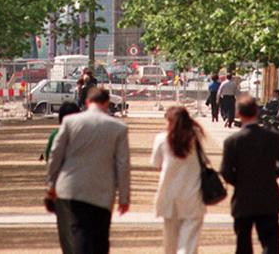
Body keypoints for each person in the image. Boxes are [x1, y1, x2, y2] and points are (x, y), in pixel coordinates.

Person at [47, 88, 132, 254]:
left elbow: (55, 154)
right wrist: (124, 196)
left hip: (71, 188)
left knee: (79, 233)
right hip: (102, 192)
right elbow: (122, 164)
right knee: (100, 238)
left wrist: (51, 184)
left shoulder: (70, 122)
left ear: (87, 102)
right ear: (107, 103)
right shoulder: (118, 128)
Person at [220, 95, 279, 254]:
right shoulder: (273, 138)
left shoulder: (232, 141)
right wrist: (271, 175)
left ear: (238, 113)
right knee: (271, 242)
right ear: (257, 112)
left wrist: (239, 181)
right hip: (268, 196)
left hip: (243, 197)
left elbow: (225, 171)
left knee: (243, 243)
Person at [151, 106, 206, 254]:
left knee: (170, 241)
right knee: (189, 243)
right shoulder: (196, 138)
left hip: (169, 195)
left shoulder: (161, 139)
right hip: (192, 194)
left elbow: (157, 164)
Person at [45, 102, 82, 254]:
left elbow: (50, 160)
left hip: (63, 187)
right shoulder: (85, 135)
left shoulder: (56, 135)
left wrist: (50, 186)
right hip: (83, 186)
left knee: (66, 230)